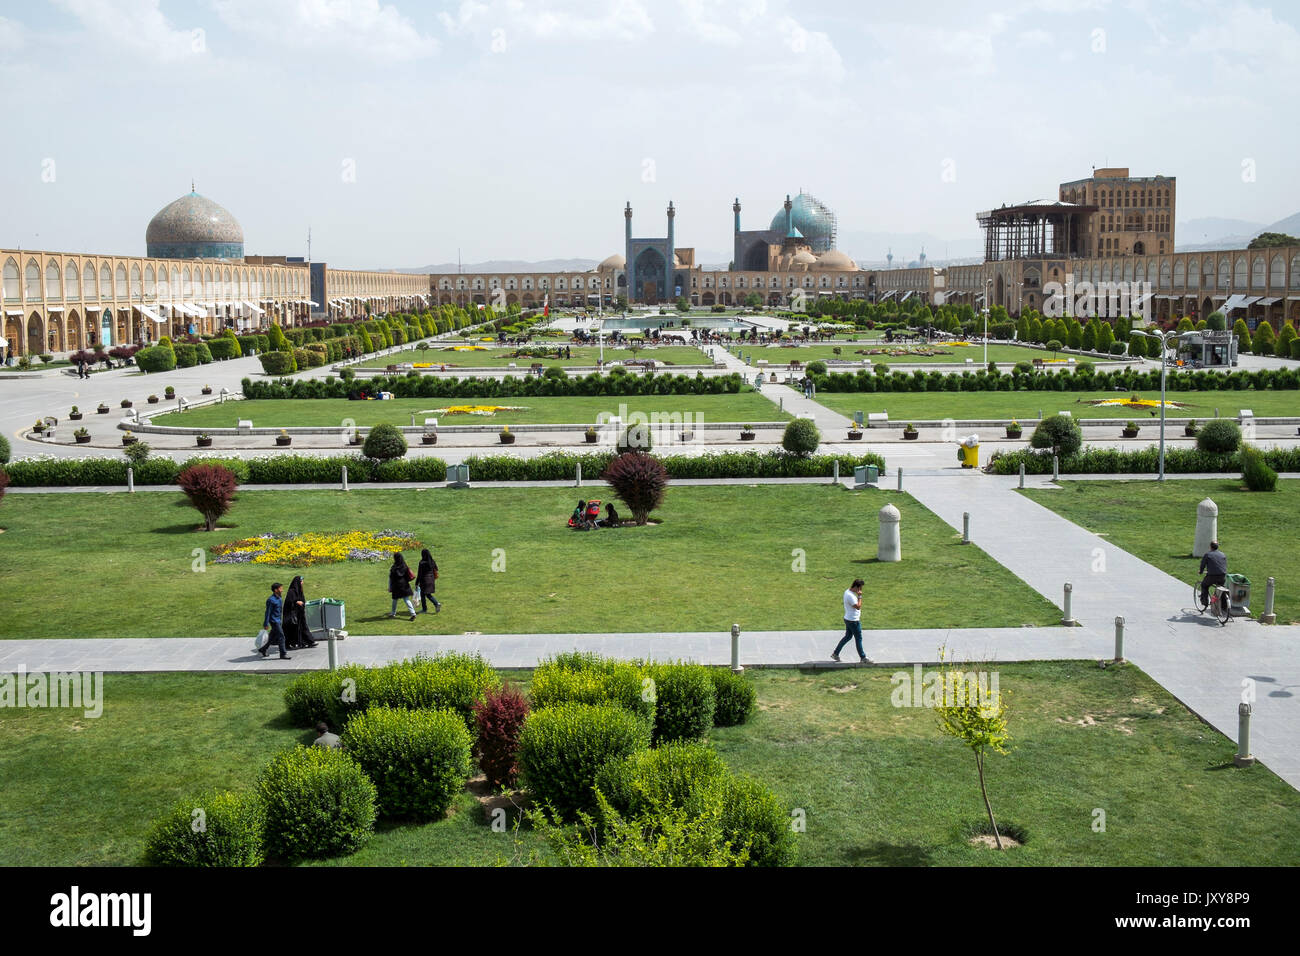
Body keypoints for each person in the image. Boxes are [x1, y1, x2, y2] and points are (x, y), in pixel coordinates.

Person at [831, 579, 868, 663]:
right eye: (860, 588)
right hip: (853, 621)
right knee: (858, 638)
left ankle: (835, 654)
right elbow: (858, 606)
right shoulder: (850, 596)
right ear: (857, 587)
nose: (861, 590)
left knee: (848, 637)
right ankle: (863, 657)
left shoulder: (847, 591)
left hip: (848, 619)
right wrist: (860, 596)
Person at [283, 575, 317, 649]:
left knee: (303, 627)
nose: (302, 583)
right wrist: (296, 602)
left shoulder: (299, 591)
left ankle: (309, 641)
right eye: (301, 581)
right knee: (292, 630)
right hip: (293, 615)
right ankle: (288, 644)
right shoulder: (292, 591)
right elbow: (289, 602)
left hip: (300, 614)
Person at [260, 582, 290, 660]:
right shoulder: (271, 600)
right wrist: (266, 623)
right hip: (274, 621)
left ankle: (263, 649)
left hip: (278, 620)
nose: (282, 590)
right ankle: (283, 654)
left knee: (271, 637)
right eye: (280, 588)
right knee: (281, 636)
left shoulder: (279, 598)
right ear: (275, 590)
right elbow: (268, 612)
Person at [388, 552, 417, 621]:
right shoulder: (404, 565)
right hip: (404, 585)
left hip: (396, 586)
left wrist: (390, 586)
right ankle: (413, 613)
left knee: (395, 600)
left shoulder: (394, 567)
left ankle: (393, 613)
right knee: (406, 600)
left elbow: (391, 578)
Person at [1200, 541, 1228, 608]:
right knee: (1221, 588)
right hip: (1222, 576)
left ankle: (1205, 602)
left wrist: (1201, 571)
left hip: (1212, 576)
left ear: (1210, 547)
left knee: (1204, 585)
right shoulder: (1223, 554)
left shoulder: (1208, 554)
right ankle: (1224, 606)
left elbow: (1202, 564)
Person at [416, 548, 442, 613]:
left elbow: (419, 574)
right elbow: (436, 569)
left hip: (424, 580)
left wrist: (417, 583)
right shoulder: (432, 561)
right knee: (427, 594)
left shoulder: (421, 563)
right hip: (431, 579)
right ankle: (433, 605)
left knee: (424, 595)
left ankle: (428, 607)